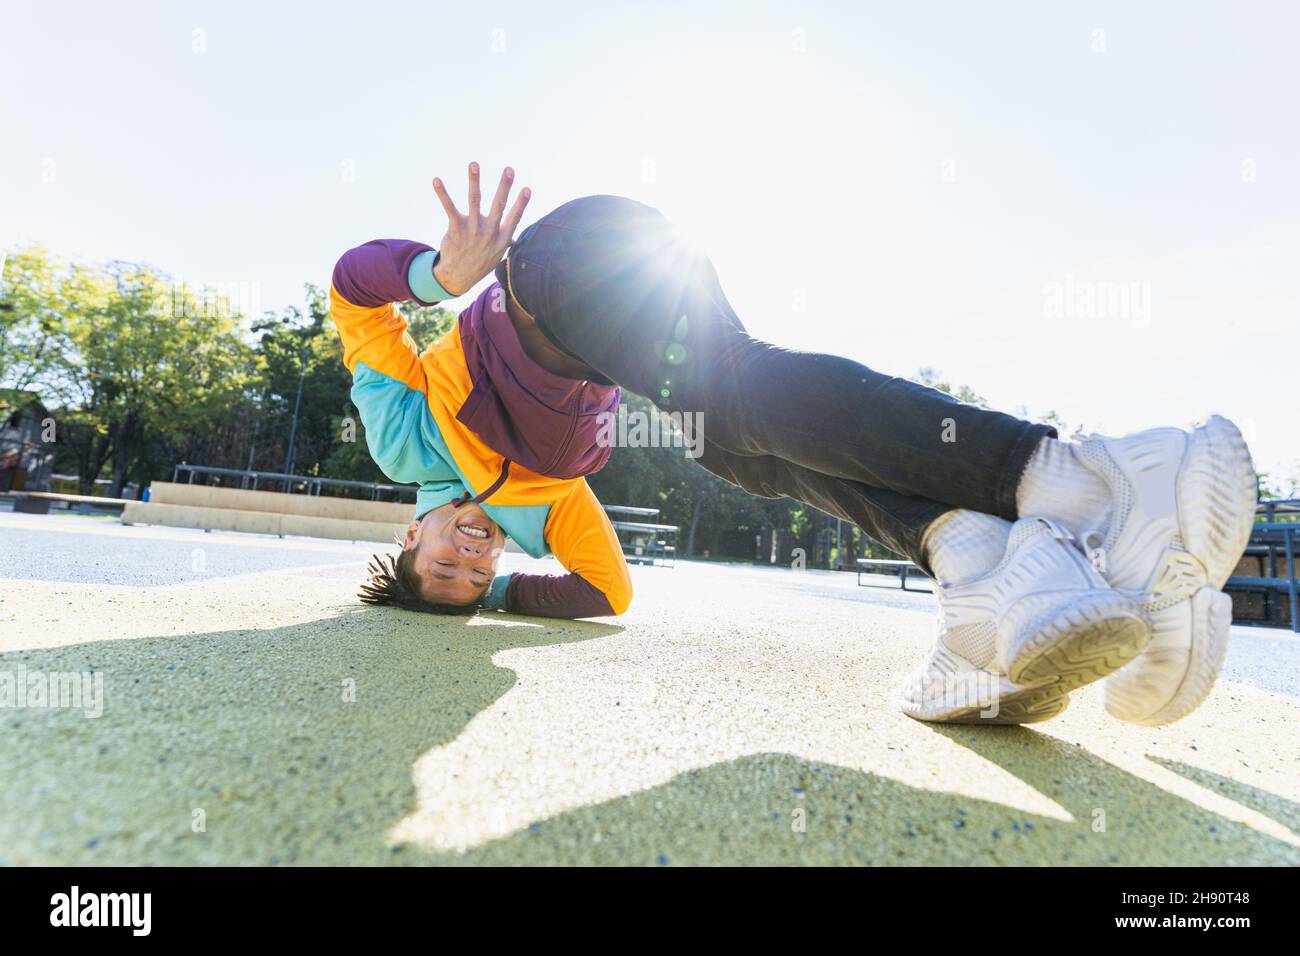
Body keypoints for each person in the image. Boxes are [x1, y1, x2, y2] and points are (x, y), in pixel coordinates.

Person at [342, 164, 1259, 728]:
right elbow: (606, 591)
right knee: (738, 452)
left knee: (732, 400)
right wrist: (503, 591)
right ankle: (987, 569)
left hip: (557, 270)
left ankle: (1083, 479)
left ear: (410, 538)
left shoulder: (399, 440)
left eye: (446, 565)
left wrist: (436, 276)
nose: (470, 555)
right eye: (475, 572)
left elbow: (352, 293)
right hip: (617, 309)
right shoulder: (545, 513)